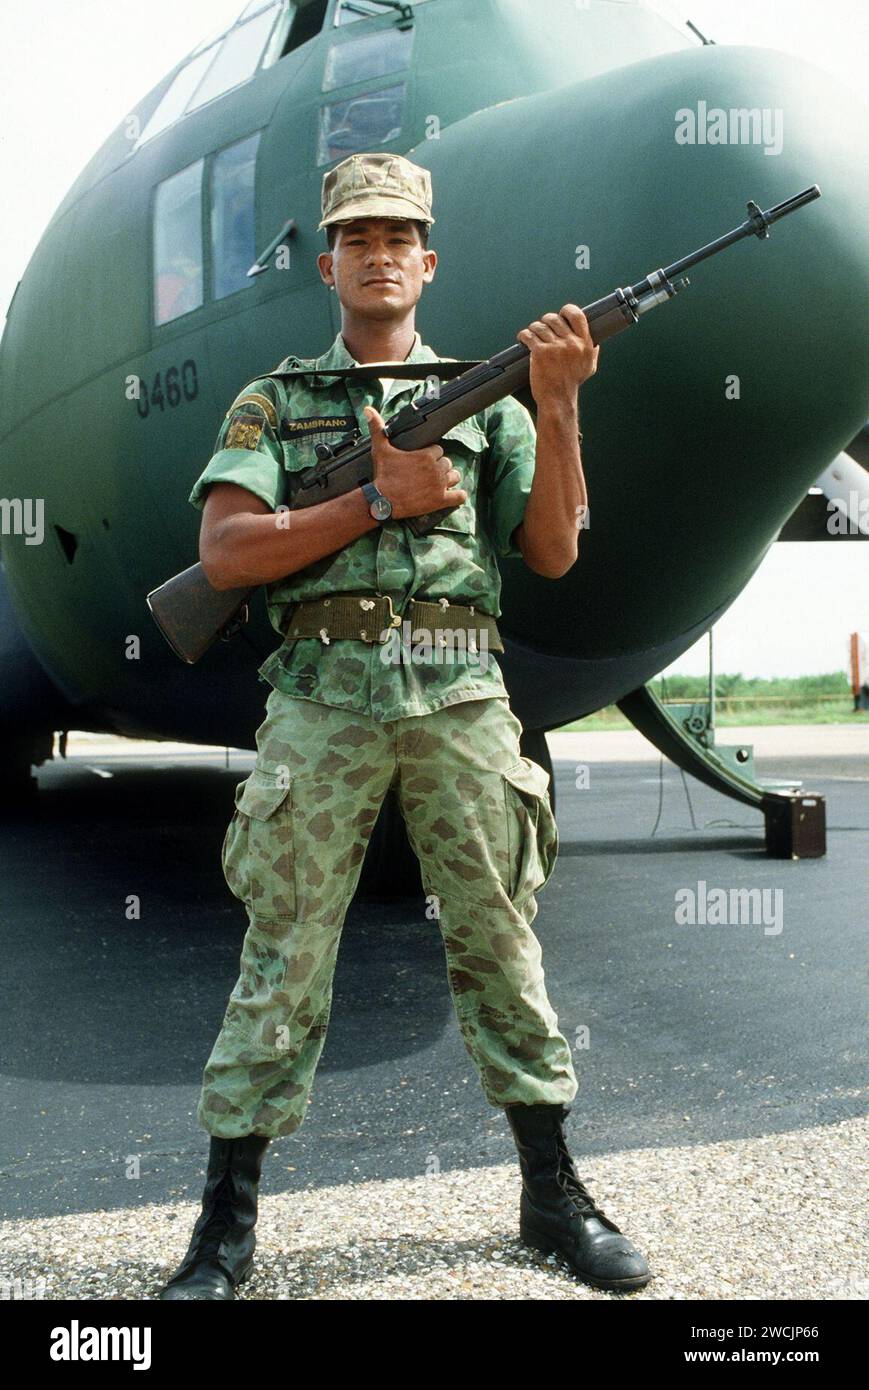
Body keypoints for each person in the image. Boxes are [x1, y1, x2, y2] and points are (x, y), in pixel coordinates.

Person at [157, 151, 651, 1299]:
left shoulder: (495, 393)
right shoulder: (272, 401)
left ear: (427, 262)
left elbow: (553, 551)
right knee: (283, 956)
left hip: (461, 693)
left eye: (399, 239)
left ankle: (550, 1193)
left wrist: (560, 400)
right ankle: (223, 1228)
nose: (378, 256)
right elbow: (225, 554)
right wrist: (378, 496)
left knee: (499, 942)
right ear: (327, 263)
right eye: (356, 239)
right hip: (321, 696)